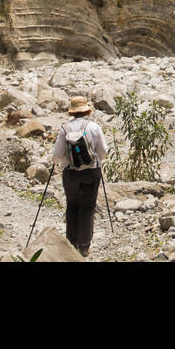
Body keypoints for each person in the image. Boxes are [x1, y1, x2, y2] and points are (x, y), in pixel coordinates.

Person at [50, 95, 108, 257]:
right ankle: (84, 246)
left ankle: (71, 243)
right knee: (88, 207)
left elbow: (56, 155)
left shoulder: (64, 129)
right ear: (87, 111)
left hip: (70, 174)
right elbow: (103, 151)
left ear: (72, 112)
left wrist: (58, 163)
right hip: (91, 173)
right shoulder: (94, 127)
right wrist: (96, 163)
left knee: (72, 205)